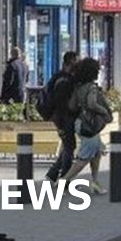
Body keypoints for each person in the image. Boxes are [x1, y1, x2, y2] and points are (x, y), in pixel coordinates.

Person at [61, 58, 111, 194]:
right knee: (84, 158)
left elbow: (71, 106)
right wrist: (104, 111)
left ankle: (95, 182)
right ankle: (64, 181)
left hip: (81, 122)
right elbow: (92, 104)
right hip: (89, 125)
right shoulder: (91, 87)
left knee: (96, 153)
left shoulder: (78, 87)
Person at [45, 51, 79, 182]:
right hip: (64, 118)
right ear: (69, 63)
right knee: (70, 147)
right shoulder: (64, 80)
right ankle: (64, 178)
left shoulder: (62, 77)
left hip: (63, 118)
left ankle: (53, 174)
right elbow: (60, 103)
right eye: (76, 62)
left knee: (68, 146)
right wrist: (59, 124)